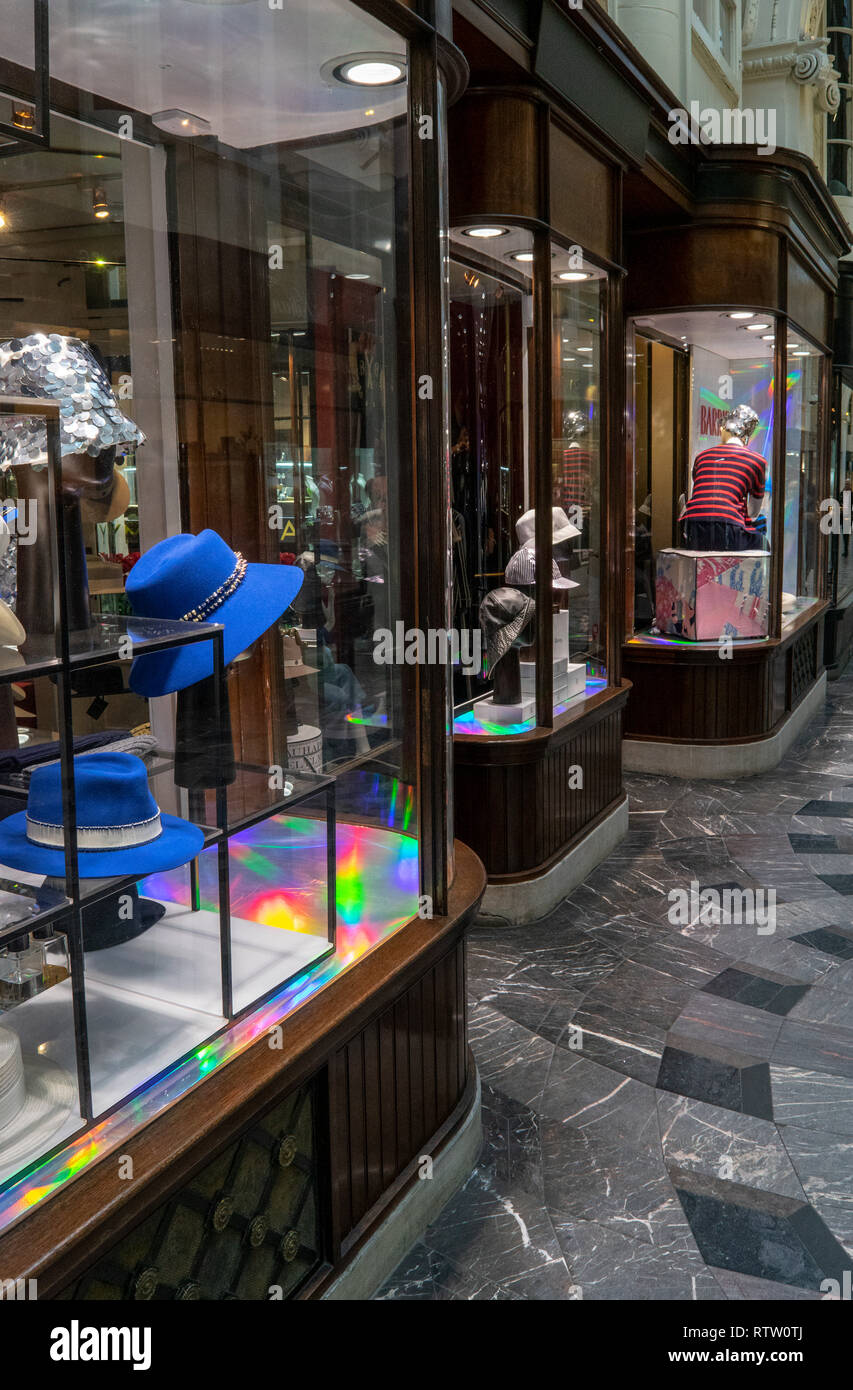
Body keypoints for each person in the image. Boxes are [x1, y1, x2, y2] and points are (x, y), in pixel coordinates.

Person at [679, 404, 765, 552]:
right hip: (729, 526)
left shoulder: (702, 457)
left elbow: (701, 494)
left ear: (724, 428)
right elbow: (753, 513)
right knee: (761, 538)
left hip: (693, 524)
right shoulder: (757, 461)